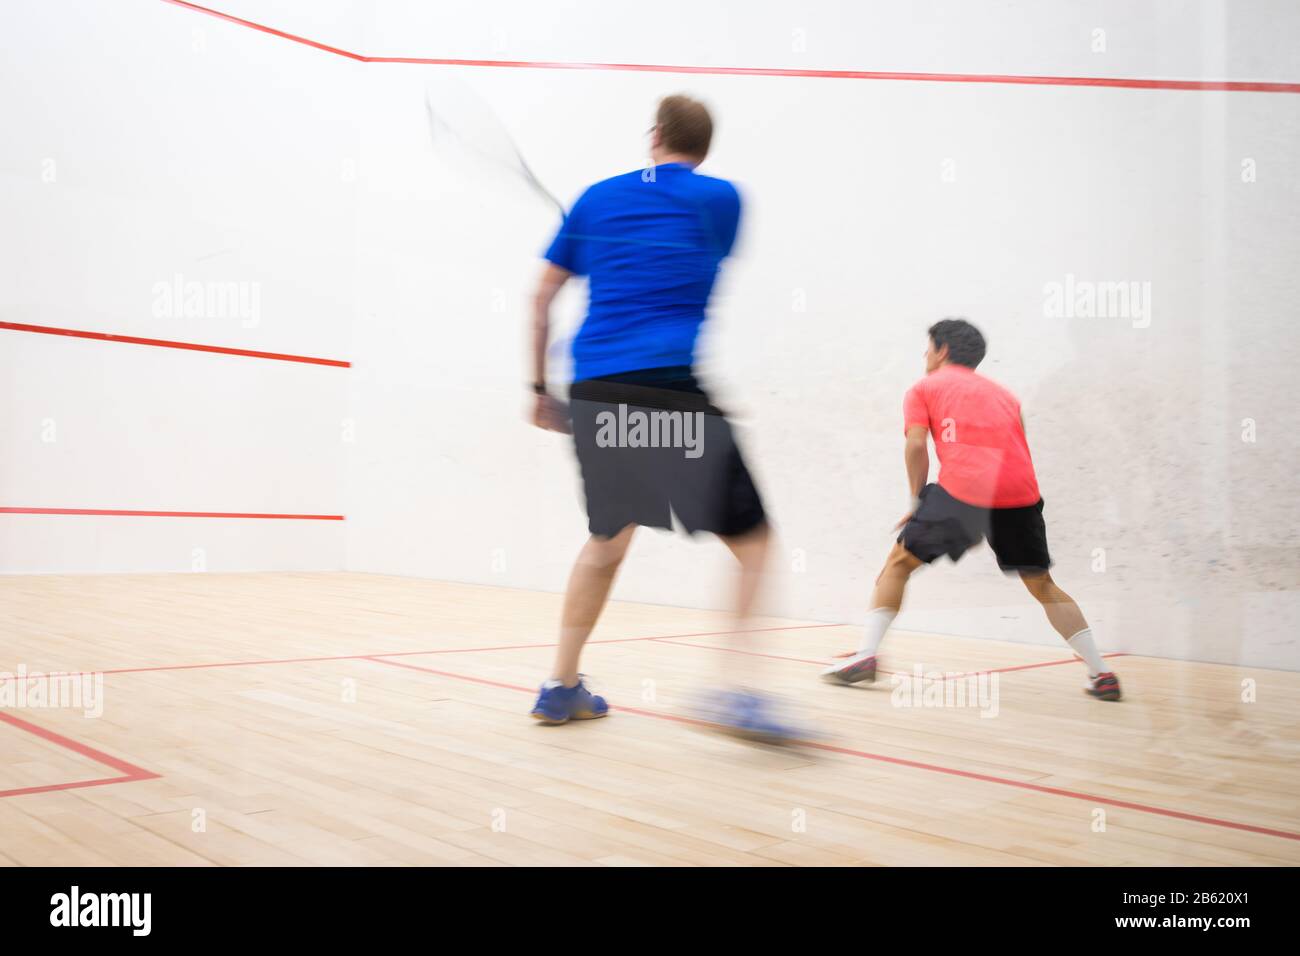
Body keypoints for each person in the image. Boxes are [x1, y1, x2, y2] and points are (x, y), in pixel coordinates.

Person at [527, 94, 791, 737]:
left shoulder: (594, 199)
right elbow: (691, 263)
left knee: (608, 540)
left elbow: (542, 300)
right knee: (754, 544)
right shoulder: (723, 201)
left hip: (596, 393)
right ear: (702, 148)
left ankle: (561, 686)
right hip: (672, 391)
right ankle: (738, 691)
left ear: (654, 135)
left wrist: (540, 389)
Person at [821, 318, 1122, 701]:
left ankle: (865, 656)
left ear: (942, 350)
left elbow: (916, 446)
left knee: (898, 564)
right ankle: (1102, 673)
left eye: (927, 347)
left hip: (964, 492)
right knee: (1042, 583)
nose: (924, 355)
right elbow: (1018, 448)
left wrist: (919, 502)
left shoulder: (924, 388)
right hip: (1021, 496)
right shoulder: (1005, 395)